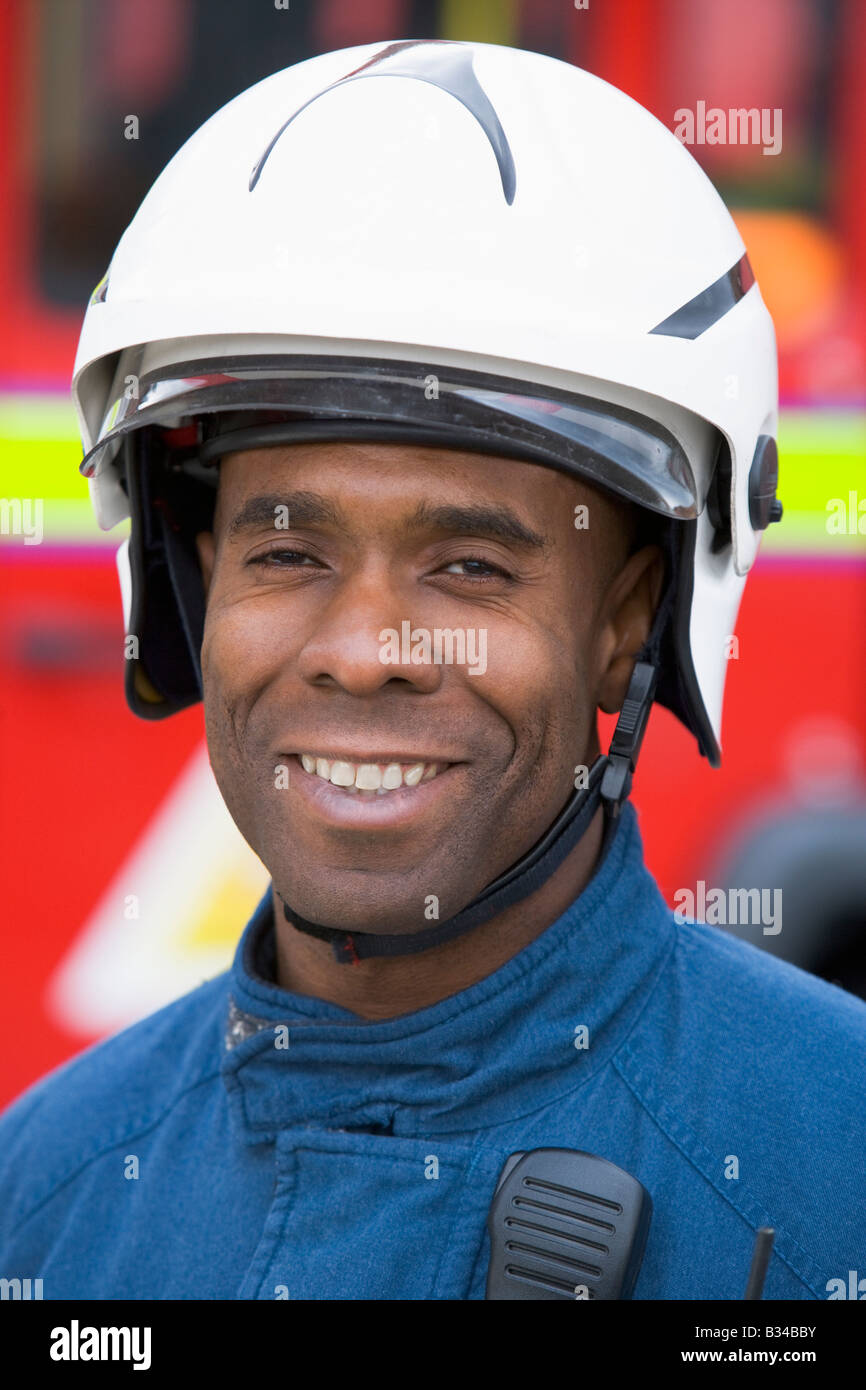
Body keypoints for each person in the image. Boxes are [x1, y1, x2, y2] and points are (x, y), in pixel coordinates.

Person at [0, 38, 863, 1302]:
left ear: (628, 617)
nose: (362, 653)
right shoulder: (41, 1203)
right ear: (192, 588)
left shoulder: (831, 1173)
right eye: (287, 551)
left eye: (467, 565)